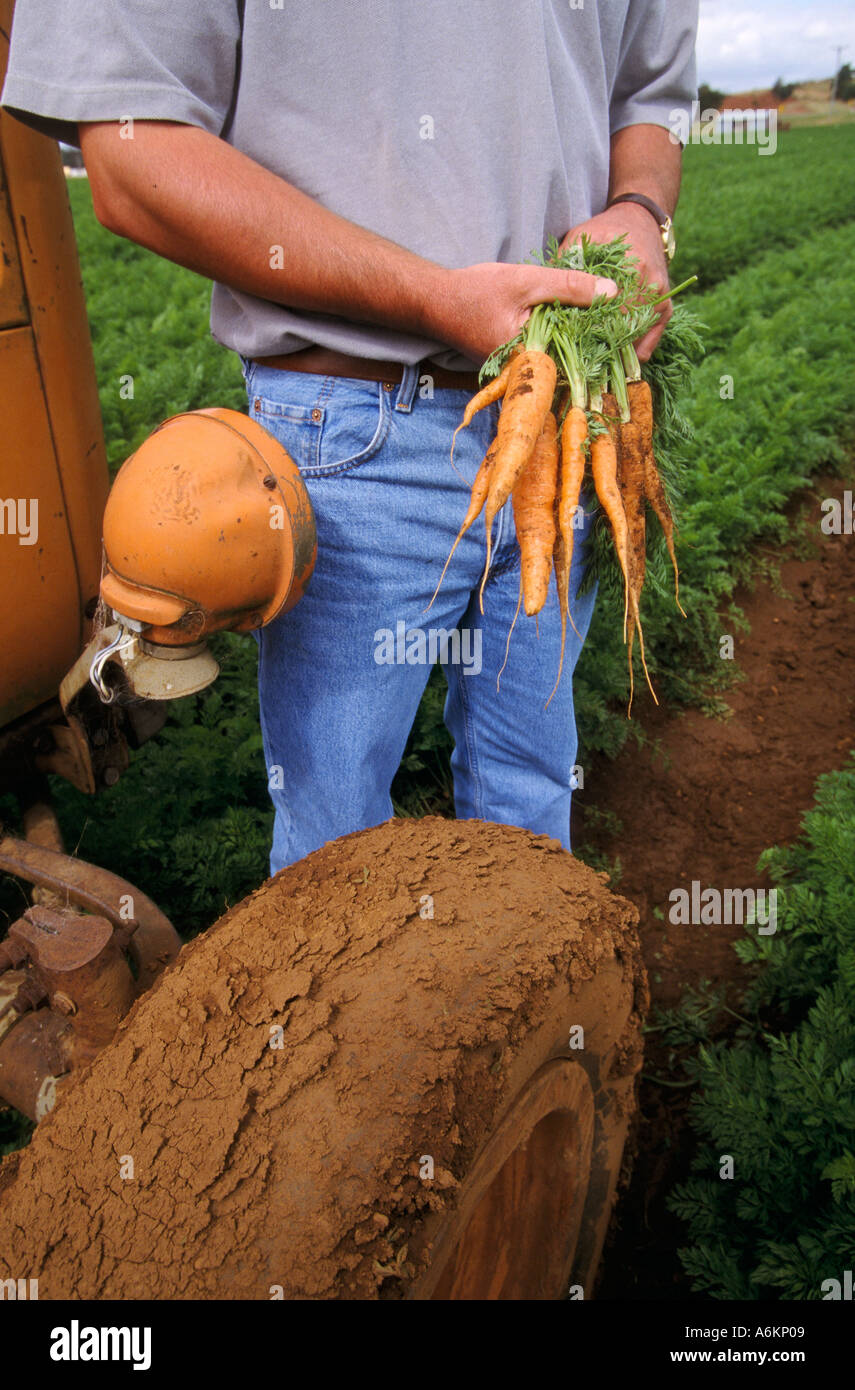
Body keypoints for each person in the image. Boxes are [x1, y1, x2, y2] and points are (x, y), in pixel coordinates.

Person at [2, 1, 698, 874]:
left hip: (566, 420)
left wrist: (640, 206)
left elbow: (650, 95)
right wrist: (430, 298)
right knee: (337, 850)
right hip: (353, 426)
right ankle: (343, 1016)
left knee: (530, 791)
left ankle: (529, 1007)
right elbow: (129, 155)